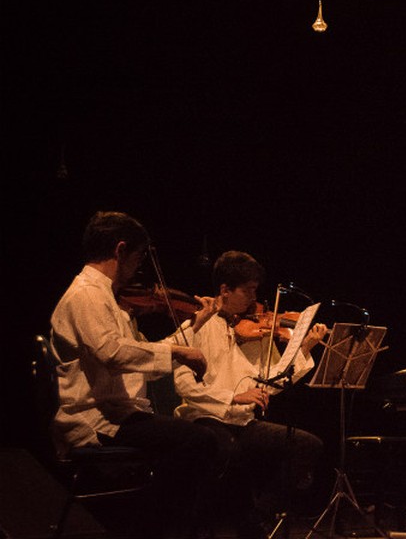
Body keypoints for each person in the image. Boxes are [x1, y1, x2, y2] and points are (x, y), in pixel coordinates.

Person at [49, 210, 221, 539]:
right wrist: (179, 352)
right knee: (199, 441)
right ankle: (150, 529)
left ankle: (159, 526)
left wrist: (191, 328)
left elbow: (141, 358)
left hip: (114, 412)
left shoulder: (105, 298)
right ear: (121, 249)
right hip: (93, 418)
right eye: (139, 255)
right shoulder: (87, 294)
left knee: (198, 440)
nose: (139, 265)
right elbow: (113, 354)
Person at [173, 250, 330, 539]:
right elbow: (184, 385)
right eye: (248, 291)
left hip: (242, 422)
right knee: (228, 451)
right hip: (206, 419)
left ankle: (256, 517)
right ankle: (197, 525)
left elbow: (269, 383)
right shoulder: (195, 327)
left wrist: (304, 348)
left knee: (307, 445)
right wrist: (232, 397)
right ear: (224, 290)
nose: (253, 300)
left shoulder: (248, 332)